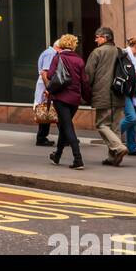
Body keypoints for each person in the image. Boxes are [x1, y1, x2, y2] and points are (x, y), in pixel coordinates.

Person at [82, 26, 128, 166]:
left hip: (103, 94)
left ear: (105, 37)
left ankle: (118, 148)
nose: (96, 40)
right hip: (119, 94)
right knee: (115, 127)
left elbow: (88, 75)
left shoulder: (97, 52)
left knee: (101, 124)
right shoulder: (120, 51)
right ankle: (113, 158)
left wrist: (85, 92)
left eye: (98, 37)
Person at [45, 34, 87, 170]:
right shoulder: (79, 60)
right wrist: (87, 97)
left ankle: (78, 159)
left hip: (61, 98)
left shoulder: (58, 58)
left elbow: (51, 75)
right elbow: (84, 81)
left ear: (62, 44)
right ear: (74, 45)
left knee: (67, 127)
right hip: (74, 99)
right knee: (64, 127)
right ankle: (57, 155)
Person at [33, 38, 58, 147]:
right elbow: (45, 72)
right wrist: (48, 88)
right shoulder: (50, 54)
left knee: (46, 111)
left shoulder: (49, 52)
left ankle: (42, 137)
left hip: (44, 86)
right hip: (45, 86)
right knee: (45, 110)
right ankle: (41, 138)